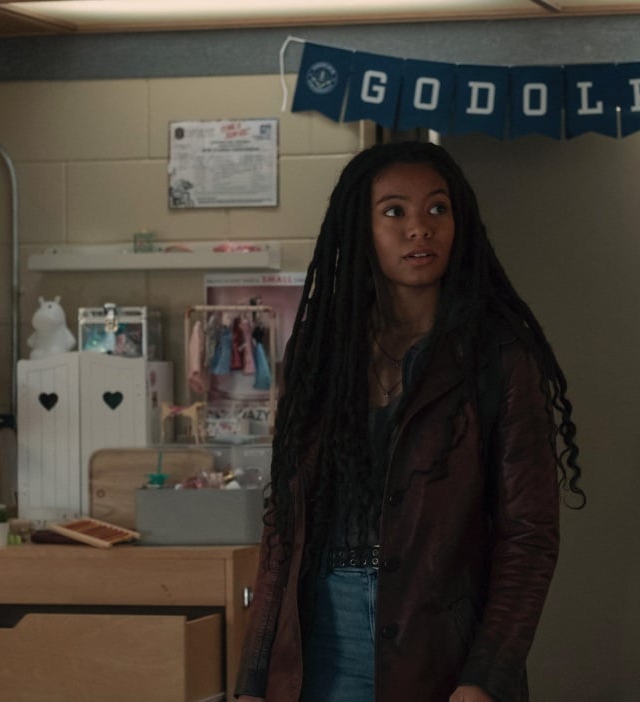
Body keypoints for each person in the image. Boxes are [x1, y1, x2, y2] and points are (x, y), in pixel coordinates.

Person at [234, 140, 585, 702]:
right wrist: (253, 675)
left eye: (437, 209)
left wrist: (486, 677)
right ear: (361, 227)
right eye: (394, 211)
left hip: (439, 650)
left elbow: (530, 536)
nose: (419, 228)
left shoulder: (497, 356)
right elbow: (283, 522)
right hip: (317, 642)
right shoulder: (319, 354)